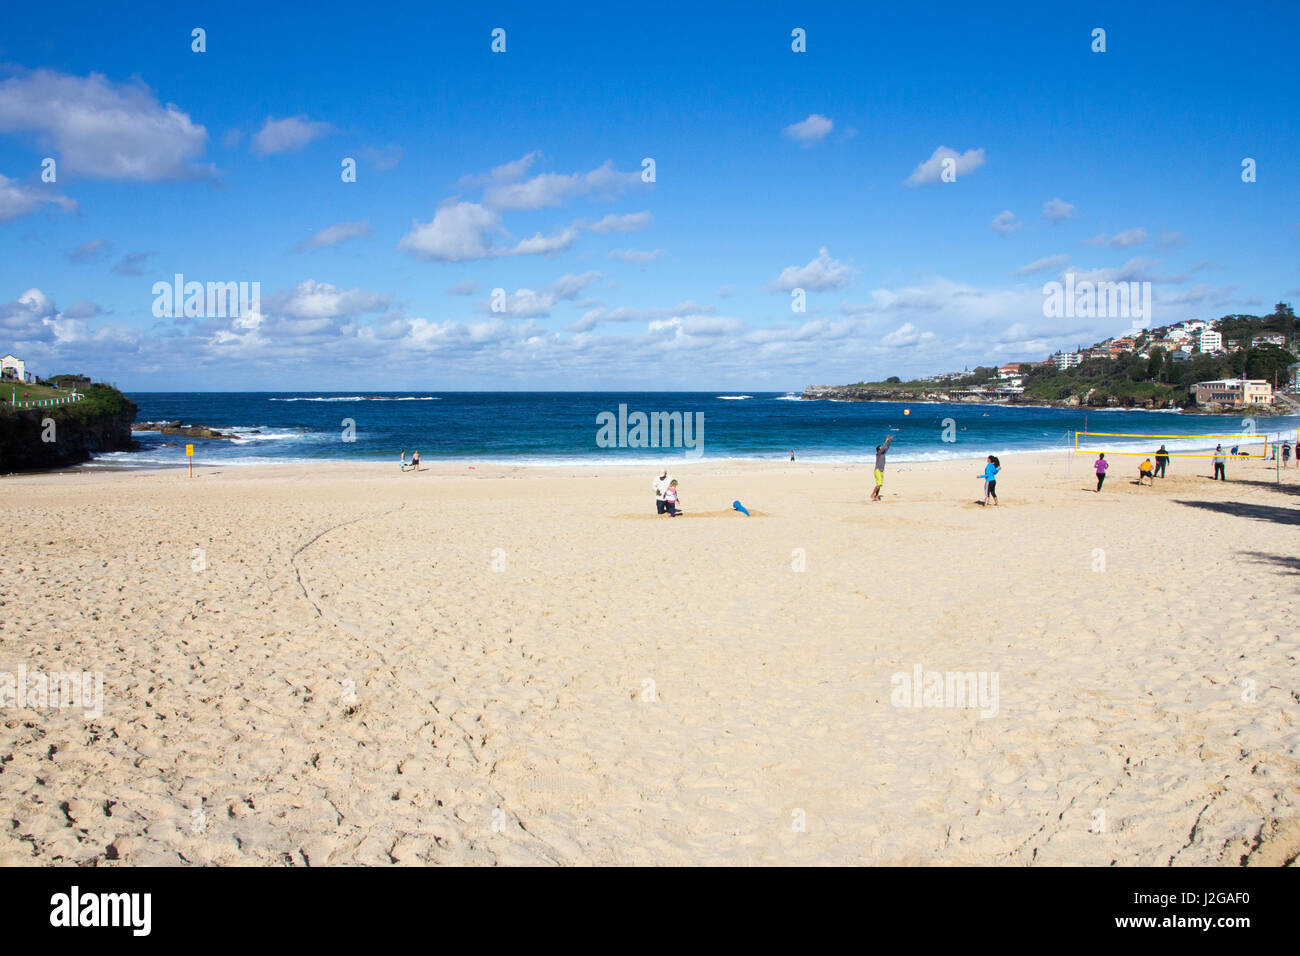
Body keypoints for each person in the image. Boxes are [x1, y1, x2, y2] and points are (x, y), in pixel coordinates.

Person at [870, 434, 894, 501]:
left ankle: (876, 496)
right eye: (880, 448)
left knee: (879, 485)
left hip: (881, 470)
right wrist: (886, 441)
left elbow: (887, 448)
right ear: (878, 450)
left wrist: (889, 441)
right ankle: (872, 494)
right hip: (877, 470)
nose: (882, 448)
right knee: (879, 484)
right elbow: (883, 448)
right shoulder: (878, 454)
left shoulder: (883, 453)